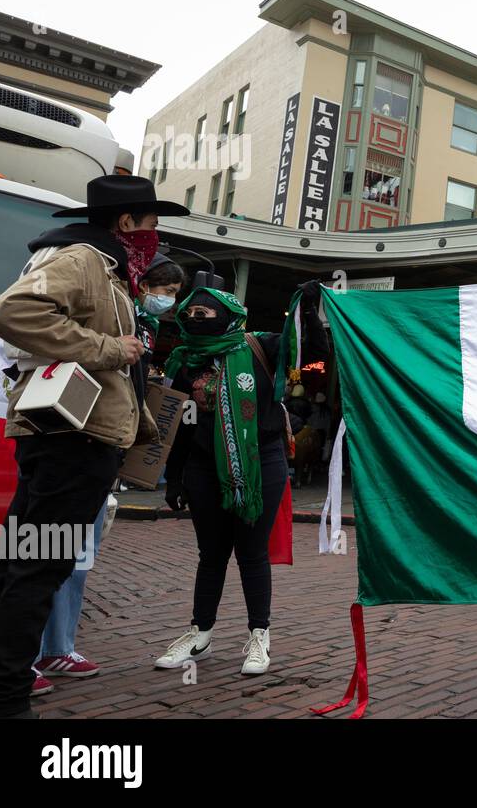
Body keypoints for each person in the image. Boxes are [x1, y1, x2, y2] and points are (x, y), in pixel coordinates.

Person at [0, 175, 189, 718]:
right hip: (72, 443)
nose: (154, 237)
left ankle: (0, 681)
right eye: (150, 225)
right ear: (125, 223)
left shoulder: (106, 269)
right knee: (40, 566)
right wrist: (107, 347)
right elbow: (12, 313)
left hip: (68, 438)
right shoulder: (83, 259)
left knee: (17, 560)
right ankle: (6, 698)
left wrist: (141, 423)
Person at [32, 254, 187, 694]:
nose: (166, 300)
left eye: (173, 294)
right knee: (40, 555)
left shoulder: (140, 329)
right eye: (163, 289)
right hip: (68, 445)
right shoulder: (91, 309)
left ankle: (57, 646)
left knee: (76, 558)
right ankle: (17, 657)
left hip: (103, 451)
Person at [154, 287, 291, 676]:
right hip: (202, 468)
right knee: (210, 555)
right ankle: (200, 635)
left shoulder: (261, 345)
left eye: (206, 311)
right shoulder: (184, 360)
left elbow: (306, 344)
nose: (198, 317)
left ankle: (259, 636)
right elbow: (179, 422)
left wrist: (309, 310)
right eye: (191, 311)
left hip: (258, 464)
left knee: (252, 554)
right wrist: (174, 477)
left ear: (227, 314)